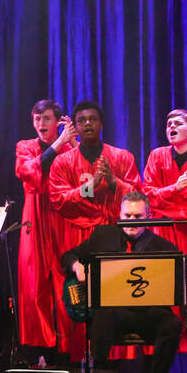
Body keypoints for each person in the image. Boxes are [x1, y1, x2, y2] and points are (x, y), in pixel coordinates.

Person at [60, 191, 184, 373]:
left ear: (149, 216)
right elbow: (68, 256)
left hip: (148, 313)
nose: (132, 221)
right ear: (119, 214)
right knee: (102, 313)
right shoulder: (103, 236)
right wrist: (78, 267)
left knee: (173, 323)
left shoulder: (164, 247)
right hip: (113, 313)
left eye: (138, 216)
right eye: (127, 216)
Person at [48, 100, 141, 358]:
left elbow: (136, 196)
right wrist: (90, 186)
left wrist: (111, 181)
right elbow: (58, 200)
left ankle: (116, 362)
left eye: (92, 119)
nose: (87, 124)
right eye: (82, 120)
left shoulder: (121, 157)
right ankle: (79, 360)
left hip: (114, 235)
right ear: (75, 127)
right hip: (78, 235)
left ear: (101, 123)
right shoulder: (63, 162)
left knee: (115, 295)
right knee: (79, 296)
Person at [14, 100, 75, 356]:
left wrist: (69, 143)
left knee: (66, 281)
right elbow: (26, 172)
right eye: (37, 119)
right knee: (34, 282)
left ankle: (69, 349)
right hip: (34, 215)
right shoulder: (25, 146)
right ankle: (38, 349)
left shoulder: (71, 148)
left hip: (62, 216)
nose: (41, 124)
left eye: (47, 119)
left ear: (59, 121)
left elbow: (80, 178)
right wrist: (59, 143)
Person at [143, 108, 187, 256]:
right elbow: (148, 196)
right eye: (169, 124)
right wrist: (175, 189)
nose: (172, 126)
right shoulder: (157, 156)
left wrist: (166, 205)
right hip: (161, 229)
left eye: (178, 123)